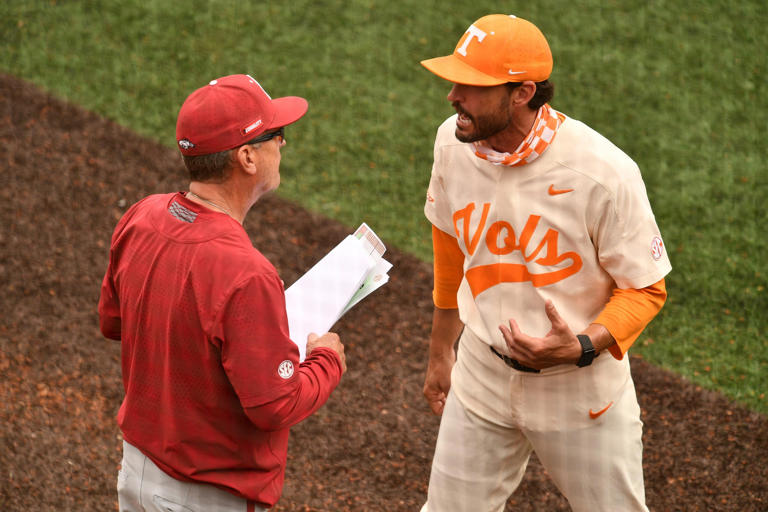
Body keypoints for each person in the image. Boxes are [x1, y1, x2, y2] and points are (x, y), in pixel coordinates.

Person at [418, 14, 671, 512]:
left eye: (472, 87)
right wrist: (440, 349)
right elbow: (450, 249)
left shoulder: (602, 173)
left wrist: (580, 345)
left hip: (578, 387)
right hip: (481, 373)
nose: (452, 96)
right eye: (455, 81)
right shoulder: (453, 142)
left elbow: (645, 289)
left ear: (522, 92)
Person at [98, 74, 347, 512]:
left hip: (136, 472)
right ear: (247, 157)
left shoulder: (141, 216)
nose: (282, 144)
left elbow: (112, 321)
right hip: (204, 496)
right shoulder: (247, 273)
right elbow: (275, 406)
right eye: (276, 135)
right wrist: (326, 360)